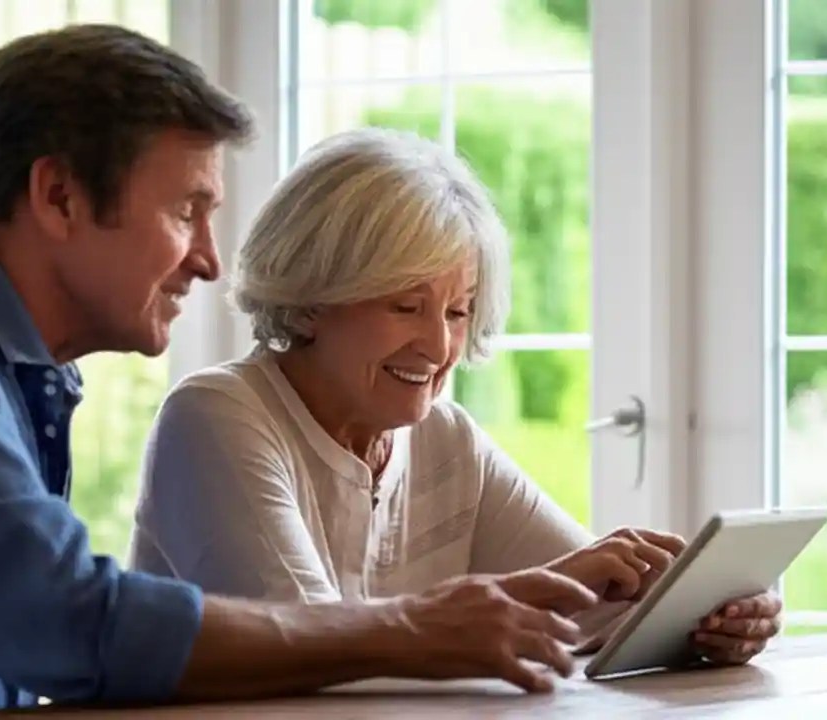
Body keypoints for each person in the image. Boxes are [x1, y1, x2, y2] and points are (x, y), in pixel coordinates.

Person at [0, 25, 603, 718]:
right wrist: (412, 626)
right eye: (185, 211)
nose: (209, 259)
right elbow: (64, 622)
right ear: (59, 195)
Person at [129, 128, 783, 667]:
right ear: (310, 299)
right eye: (406, 306)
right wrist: (518, 597)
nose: (438, 346)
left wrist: (706, 621)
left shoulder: (446, 439)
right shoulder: (216, 417)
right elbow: (311, 643)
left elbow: (601, 610)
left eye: (459, 311)